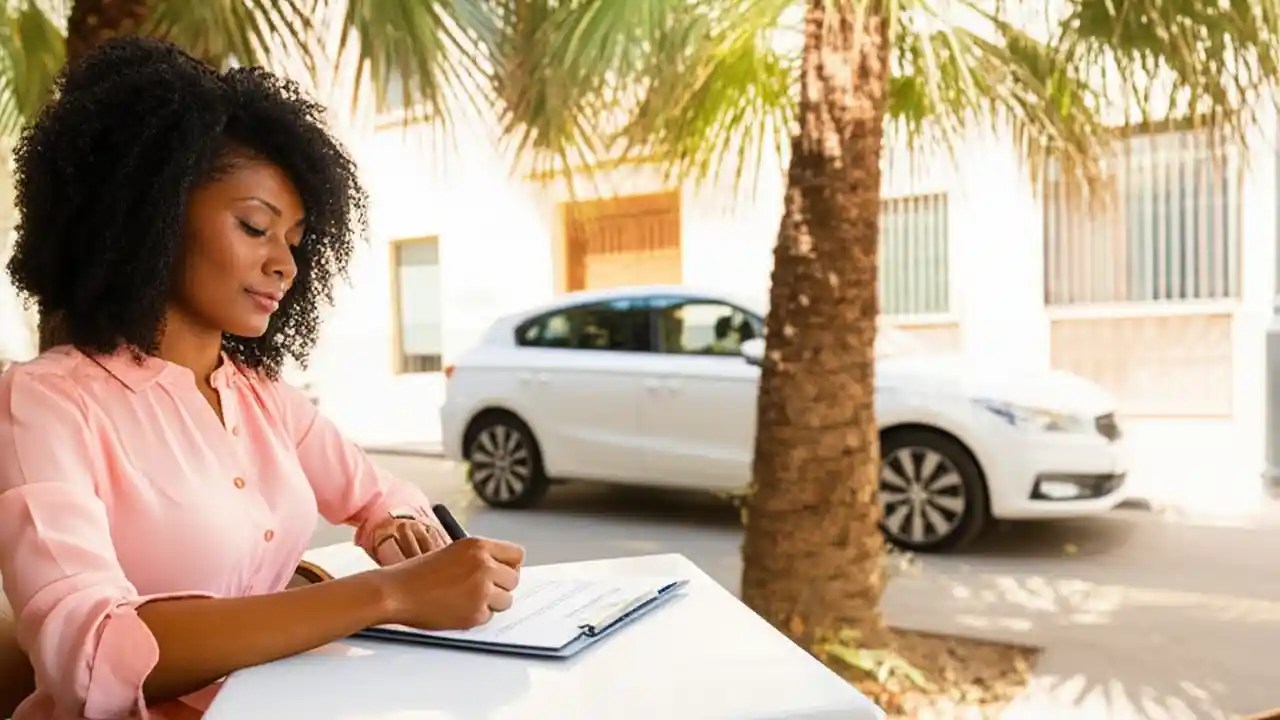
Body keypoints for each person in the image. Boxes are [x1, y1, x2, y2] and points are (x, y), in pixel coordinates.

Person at [0, 37, 524, 719]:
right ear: (148, 215)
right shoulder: (45, 403)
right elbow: (91, 656)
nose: (285, 265)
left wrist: (398, 528)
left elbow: (379, 493)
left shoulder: (262, 397)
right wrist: (385, 595)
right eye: (255, 226)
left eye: (296, 241)